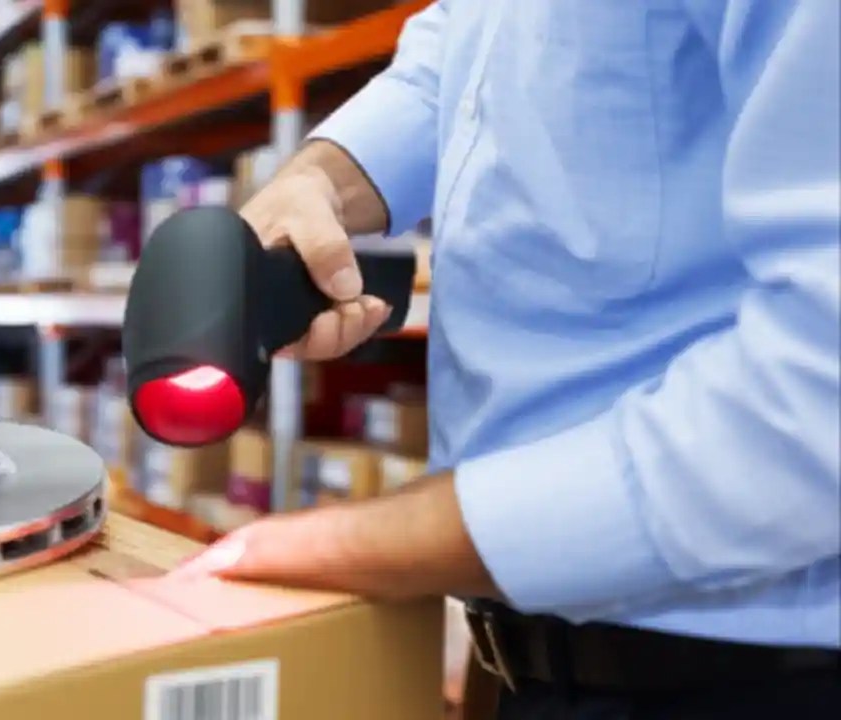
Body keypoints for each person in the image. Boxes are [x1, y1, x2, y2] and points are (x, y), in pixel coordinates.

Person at [173, 1, 841, 717]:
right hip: (527, 650)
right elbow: (471, 51)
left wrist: (378, 539)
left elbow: (819, 391)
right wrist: (317, 179)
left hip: (745, 675)